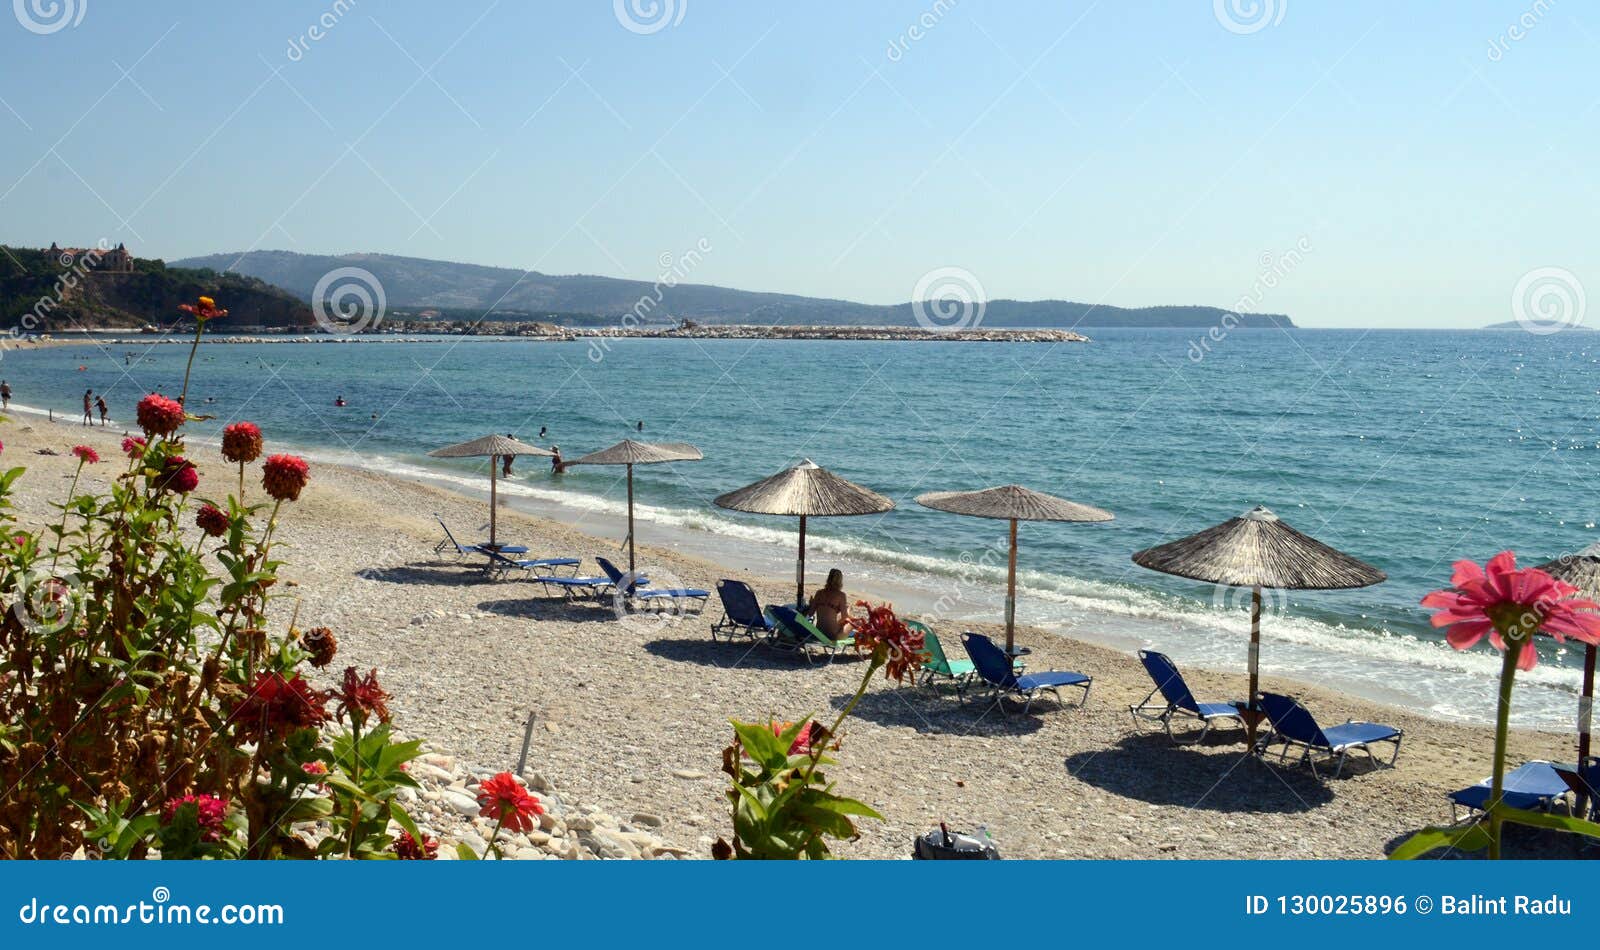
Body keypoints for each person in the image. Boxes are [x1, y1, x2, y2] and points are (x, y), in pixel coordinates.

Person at [806, 569, 853, 640]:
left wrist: (811, 604)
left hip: (819, 632)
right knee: (853, 622)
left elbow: (810, 613)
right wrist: (848, 611)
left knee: (839, 619)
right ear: (840, 581)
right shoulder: (841, 595)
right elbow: (845, 618)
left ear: (828, 578)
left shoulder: (819, 593)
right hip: (833, 635)